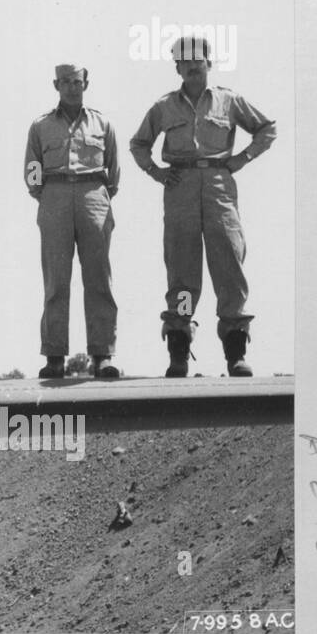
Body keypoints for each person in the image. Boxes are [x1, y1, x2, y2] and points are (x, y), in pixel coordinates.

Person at [128, 35, 276, 376]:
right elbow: (139, 144)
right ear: (177, 67)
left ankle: (235, 353)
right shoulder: (164, 106)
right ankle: (179, 351)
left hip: (219, 188)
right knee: (182, 271)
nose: (194, 66)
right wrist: (156, 173)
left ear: (209, 62)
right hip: (179, 189)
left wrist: (242, 159)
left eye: (199, 60)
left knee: (229, 267)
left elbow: (266, 129)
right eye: (186, 62)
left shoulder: (229, 100)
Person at [24, 63, 121, 379]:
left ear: (86, 83)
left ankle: (102, 355)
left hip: (94, 195)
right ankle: (55, 357)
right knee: (56, 280)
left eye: (76, 81)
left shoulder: (102, 123)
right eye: (64, 82)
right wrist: (48, 194)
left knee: (98, 278)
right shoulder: (40, 126)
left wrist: (97, 195)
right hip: (54, 196)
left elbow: (114, 170)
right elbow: (32, 170)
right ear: (55, 85)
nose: (71, 87)